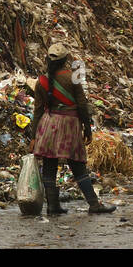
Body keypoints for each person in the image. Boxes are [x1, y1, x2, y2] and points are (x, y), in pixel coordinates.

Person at [28, 42, 116, 215]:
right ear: (66, 60)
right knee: (77, 166)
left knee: (49, 166)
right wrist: (87, 129)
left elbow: (37, 111)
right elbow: (82, 105)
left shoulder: (41, 82)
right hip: (69, 124)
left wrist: (33, 137)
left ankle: (53, 206)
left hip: (48, 125)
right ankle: (94, 204)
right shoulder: (73, 77)